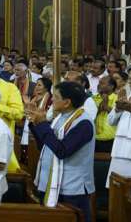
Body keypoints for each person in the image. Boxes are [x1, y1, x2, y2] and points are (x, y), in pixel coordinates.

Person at [27, 81, 94, 222]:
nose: (52, 99)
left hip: (71, 187)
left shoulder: (84, 123)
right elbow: (46, 146)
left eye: (56, 97)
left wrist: (43, 124)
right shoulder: (60, 117)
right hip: (50, 182)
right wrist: (35, 123)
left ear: (67, 102)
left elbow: (62, 151)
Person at [92, 75, 118, 153]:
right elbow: (90, 115)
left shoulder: (117, 98)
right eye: (99, 83)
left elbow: (117, 116)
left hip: (110, 139)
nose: (99, 85)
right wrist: (98, 109)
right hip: (94, 138)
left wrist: (106, 106)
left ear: (111, 86)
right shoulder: (94, 98)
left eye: (102, 83)